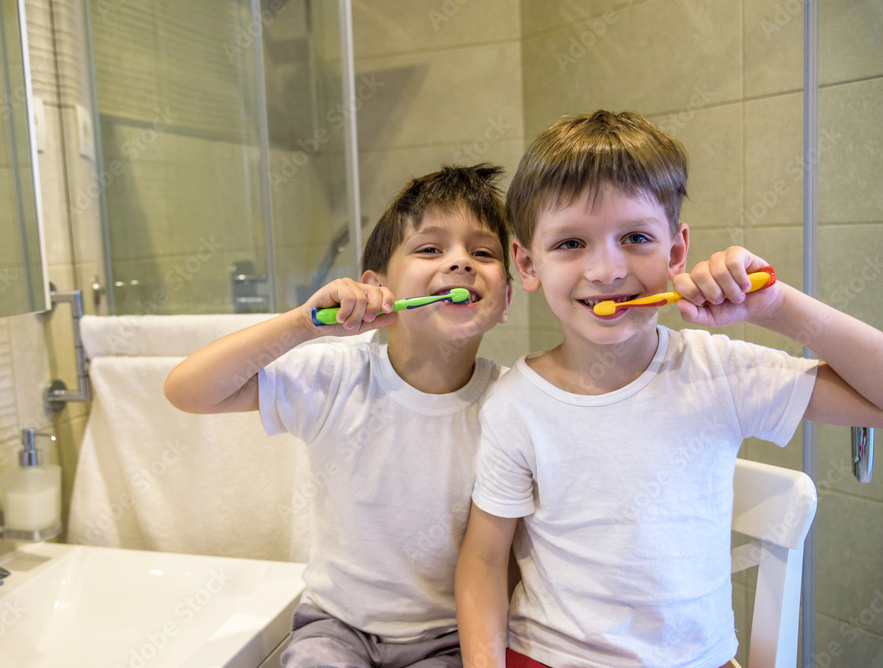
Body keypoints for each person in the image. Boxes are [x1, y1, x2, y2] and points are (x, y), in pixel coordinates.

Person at [454, 110, 883, 668]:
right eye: (571, 243)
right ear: (527, 263)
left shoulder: (718, 373)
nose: (607, 270)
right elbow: (485, 562)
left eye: (635, 237)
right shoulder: (516, 404)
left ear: (676, 253)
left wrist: (776, 306)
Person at [164, 163, 514, 668]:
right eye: (430, 248)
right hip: (336, 626)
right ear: (377, 288)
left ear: (505, 299)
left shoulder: (512, 402)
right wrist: (303, 324)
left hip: (449, 637)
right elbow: (188, 390)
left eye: (483, 253)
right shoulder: (336, 377)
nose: (461, 262)